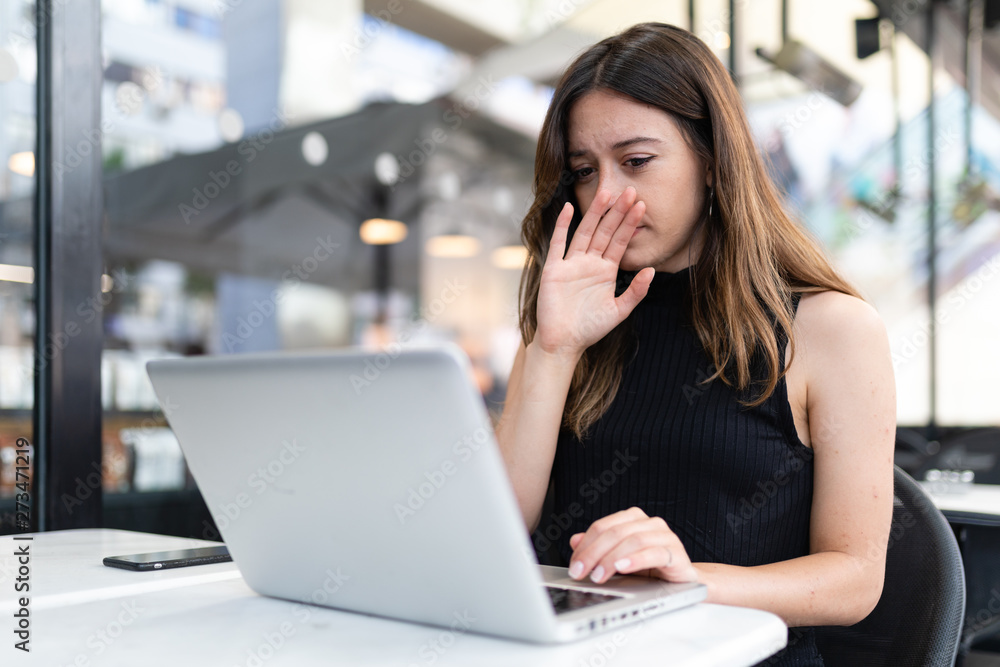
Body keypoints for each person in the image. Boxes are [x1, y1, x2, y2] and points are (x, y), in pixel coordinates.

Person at [494, 23, 896, 666]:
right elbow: (498, 533)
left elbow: (854, 581)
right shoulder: (563, 325)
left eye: (637, 161)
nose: (607, 195)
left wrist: (692, 584)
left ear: (711, 160)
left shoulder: (831, 328)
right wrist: (552, 350)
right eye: (582, 171)